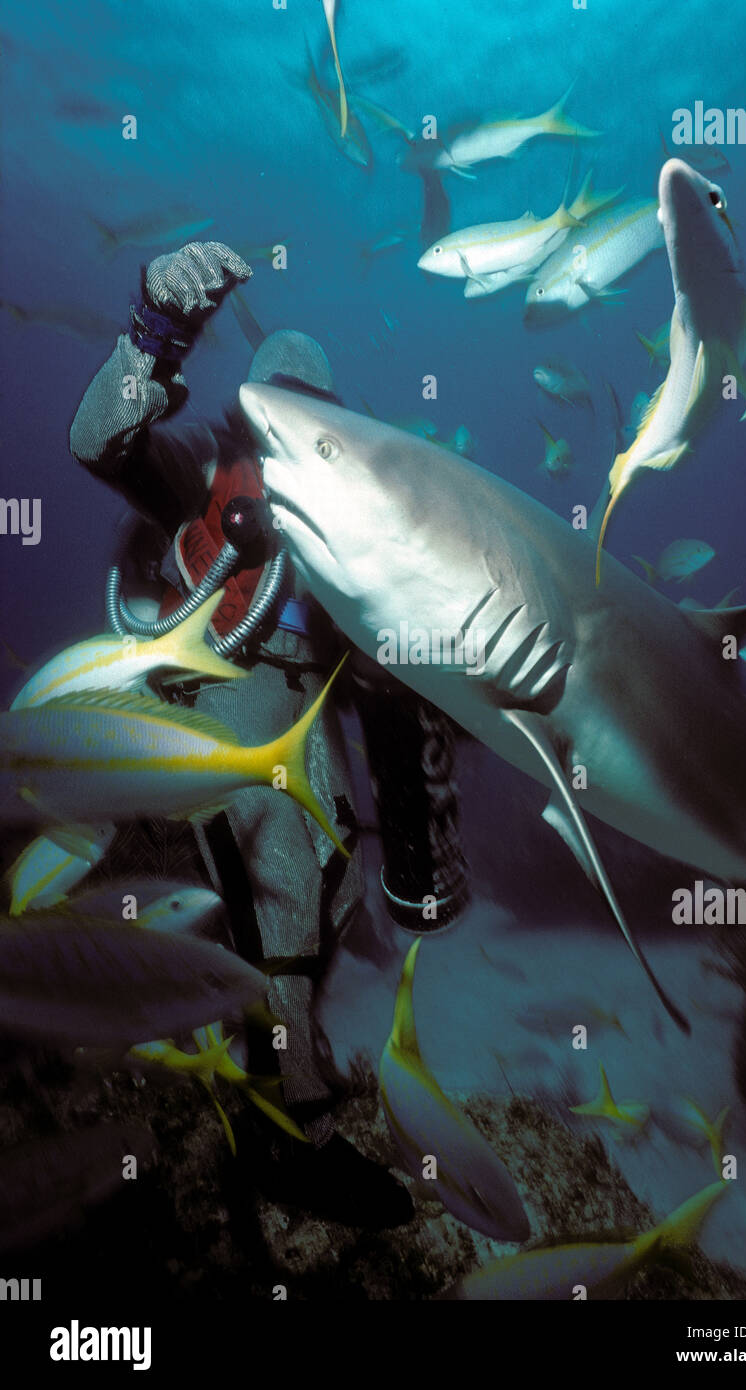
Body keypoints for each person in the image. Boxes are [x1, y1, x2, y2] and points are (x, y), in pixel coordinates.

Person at [69, 241, 469, 1228]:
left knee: (326, 890)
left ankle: (271, 1041)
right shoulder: (198, 463)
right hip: (217, 675)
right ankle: (291, 1132)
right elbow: (99, 441)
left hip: (302, 703)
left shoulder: (344, 504)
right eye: (273, 410)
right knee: (285, 865)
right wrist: (154, 334)